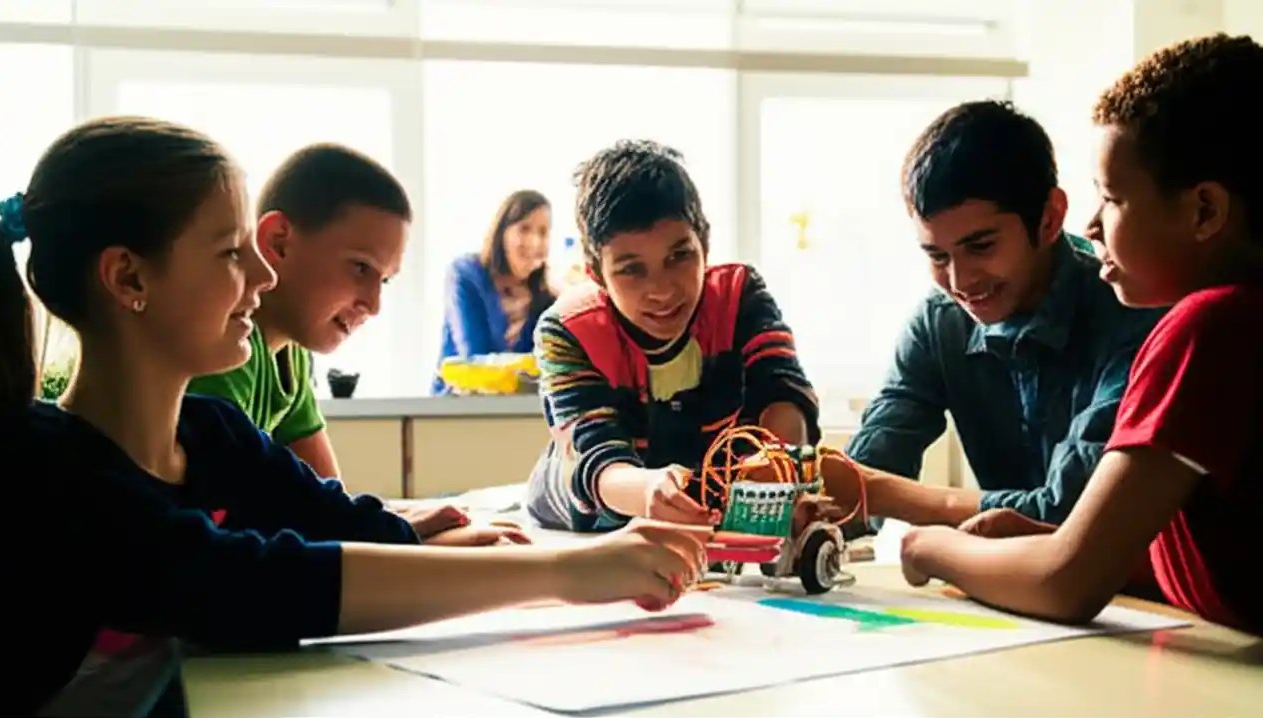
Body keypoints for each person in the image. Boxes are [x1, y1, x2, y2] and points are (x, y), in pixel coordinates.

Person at [0, 117, 711, 716]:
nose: (264, 277)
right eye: (231, 254)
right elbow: (265, 584)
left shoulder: (213, 435)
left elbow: (349, 526)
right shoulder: (48, 473)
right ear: (128, 277)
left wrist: (520, 555)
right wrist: (567, 571)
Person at [898, 33, 1263, 636]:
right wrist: (1051, 540)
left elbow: (1067, 584)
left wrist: (927, 549)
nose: (1092, 225)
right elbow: (1223, 558)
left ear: (1204, 211)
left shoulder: (1210, 330)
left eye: (1113, 198)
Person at [819, 100, 1164, 534]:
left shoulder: (1134, 313)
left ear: (1049, 217)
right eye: (937, 255)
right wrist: (814, 510)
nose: (959, 279)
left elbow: (1074, 511)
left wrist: (879, 493)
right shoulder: (939, 321)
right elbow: (873, 461)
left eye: (980, 246)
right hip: (1004, 587)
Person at [525, 140, 820, 532]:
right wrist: (650, 492)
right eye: (632, 269)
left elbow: (782, 392)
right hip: (602, 502)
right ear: (596, 273)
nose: (662, 291)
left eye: (679, 257)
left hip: (717, 483)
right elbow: (596, 456)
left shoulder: (738, 296)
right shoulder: (567, 328)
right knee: (583, 477)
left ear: (705, 243)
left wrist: (778, 476)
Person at [185, 144, 471, 540]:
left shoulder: (292, 351)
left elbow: (326, 500)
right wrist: (391, 532)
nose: (373, 304)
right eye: (360, 268)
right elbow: (244, 517)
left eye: (384, 280)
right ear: (279, 242)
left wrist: (389, 521)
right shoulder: (224, 349)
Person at [433, 189, 556, 394]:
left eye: (543, 232)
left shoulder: (545, 300)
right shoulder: (466, 274)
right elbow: (473, 358)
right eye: (524, 229)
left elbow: (550, 371)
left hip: (512, 413)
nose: (535, 242)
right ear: (502, 233)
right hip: (456, 408)